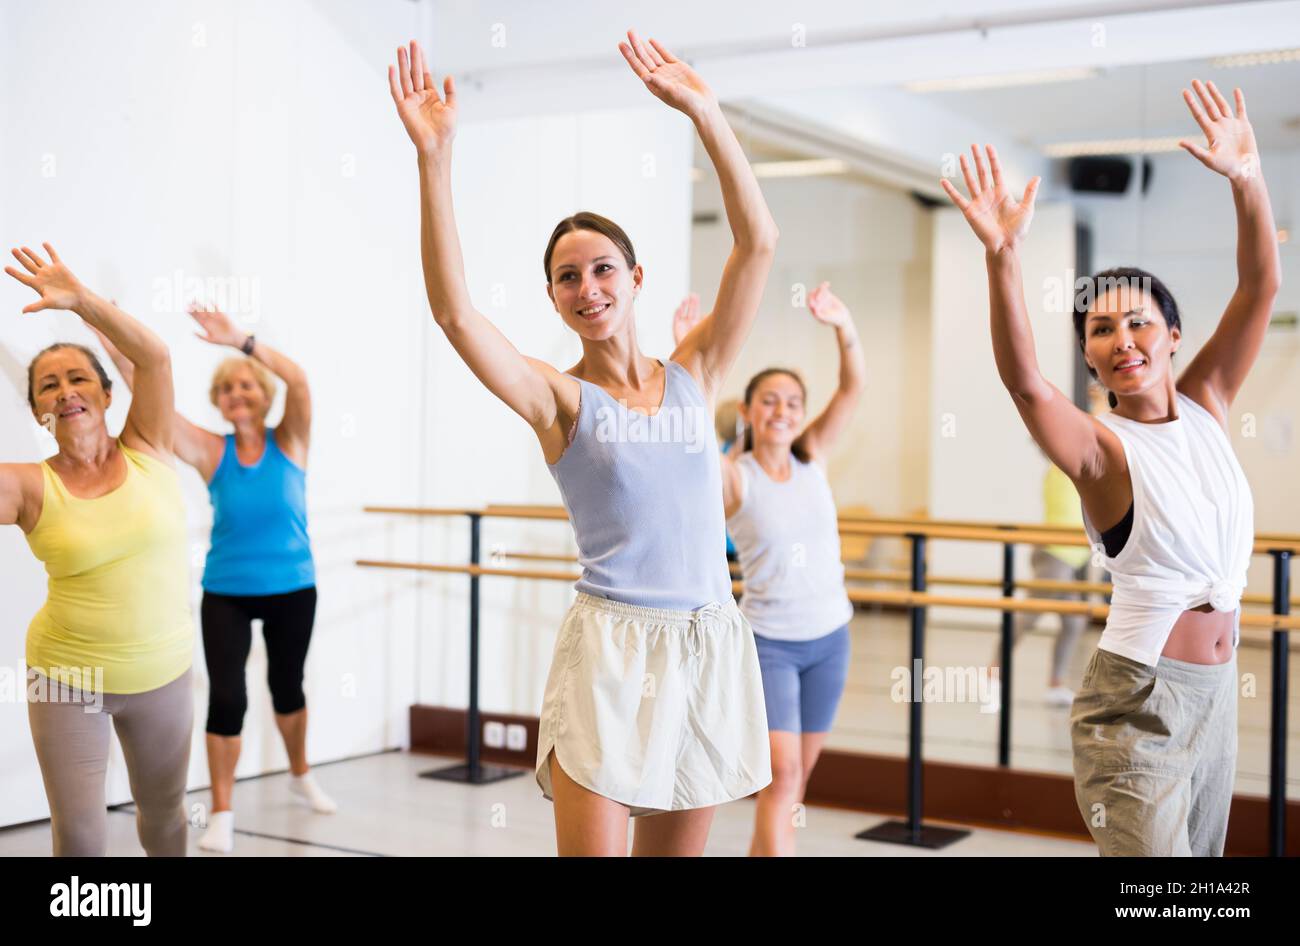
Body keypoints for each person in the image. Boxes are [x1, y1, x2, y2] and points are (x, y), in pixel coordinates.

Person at [388, 30, 779, 855]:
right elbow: (457, 315)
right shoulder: (559, 400)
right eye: (569, 278)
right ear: (555, 300)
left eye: (602, 269)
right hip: (610, 652)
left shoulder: (696, 371)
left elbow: (758, 243)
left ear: (636, 280)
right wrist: (435, 159)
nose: (588, 287)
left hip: (705, 641)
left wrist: (705, 112)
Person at [940, 80, 1279, 855]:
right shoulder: (1101, 448)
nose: (1120, 336)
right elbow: (1026, 382)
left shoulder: (1208, 402)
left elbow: (1263, 286)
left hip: (1216, 696)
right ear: (1091, 360)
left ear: (1171, 336)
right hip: (1137, 698)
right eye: (1099, 329)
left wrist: (1248, 178)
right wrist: (1002, 257)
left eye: (1137, 321)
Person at [95, 303, 334, 854]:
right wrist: (111, 340)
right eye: (229, 389)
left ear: (263, 394)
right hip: (226, 590)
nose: (239, 394)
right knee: (227, 697)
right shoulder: (210, 450)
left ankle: (300, 773)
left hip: (293, 587)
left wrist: (240, 341)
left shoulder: (291, 440)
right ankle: (223, 811)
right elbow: (147, 392)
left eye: (248, 385)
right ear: (219, 401)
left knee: (286, 687)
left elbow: (298, 378)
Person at [1, 243, 194, 856]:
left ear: (108, 394)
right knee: (81, 839)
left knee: (165, 822)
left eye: (78, 377)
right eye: (48, 385)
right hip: (66, 675)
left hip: (162, 674)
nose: (65, 391)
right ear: (38, 409)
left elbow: (156, 355)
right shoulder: (29, 484)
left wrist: (82, 300)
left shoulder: (150, 446)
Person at [680, 282, 865, 856]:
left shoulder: (812, 460)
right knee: (781, 776)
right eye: (769, 400)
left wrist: (842, 324)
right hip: (771, 644)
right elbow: (689, 443)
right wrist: (687, 350)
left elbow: (853, 387)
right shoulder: (735, 477)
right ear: (748, 411)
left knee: (794, 783)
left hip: (831, 637)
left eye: (792, 402)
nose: (781, 410)